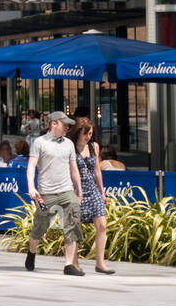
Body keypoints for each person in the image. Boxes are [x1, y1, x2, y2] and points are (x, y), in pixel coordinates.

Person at [24, 111, 84, 276]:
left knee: (72, 224)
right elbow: (31, 167)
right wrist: (31, 186)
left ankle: (69, 265)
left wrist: (79, 190)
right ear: (54, 123)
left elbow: (74, 169)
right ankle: (32, 252)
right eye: (64, 124)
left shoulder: (69, 144)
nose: (67, 127)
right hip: (45, 194)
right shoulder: (39, 142)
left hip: (67, 191)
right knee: (40, 226)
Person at [69, 117, 114, 274]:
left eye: (90, 134)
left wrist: (102, 192)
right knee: (76, 227)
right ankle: (73, 262)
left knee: (102, 224)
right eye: (85, 133)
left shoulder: (94, 146)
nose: (88, 136)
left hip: (92, 188)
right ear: (78, 133)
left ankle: (100, 263)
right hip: (75, 189)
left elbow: (97, 170)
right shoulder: (70, 148)